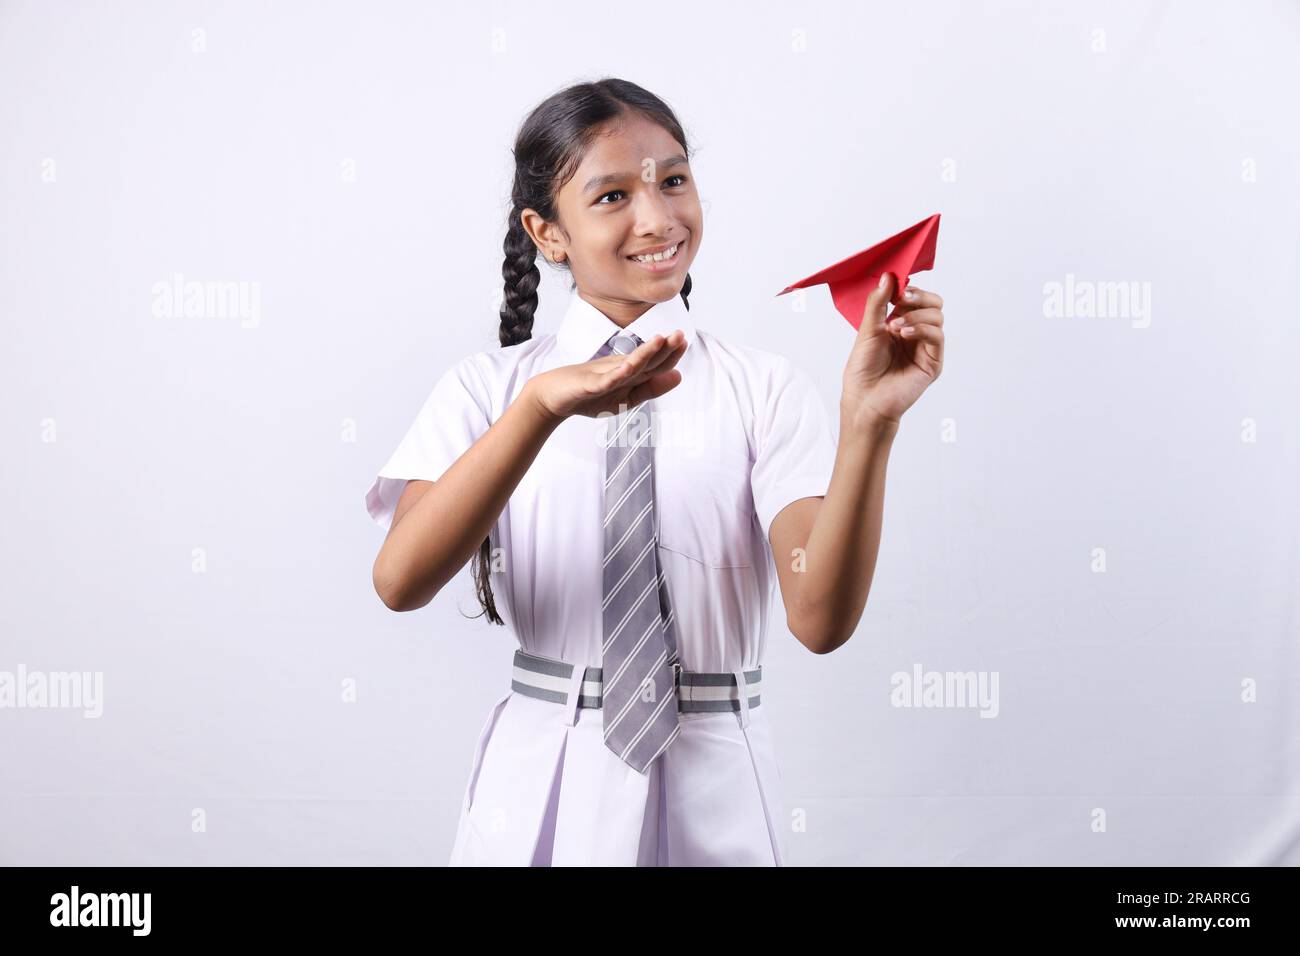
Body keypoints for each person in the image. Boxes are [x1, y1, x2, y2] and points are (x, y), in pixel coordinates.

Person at [364, 77, 946, 865]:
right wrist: (538, 412)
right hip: (543, 782)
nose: (658, 218)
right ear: (547, 232)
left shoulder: (761, 388)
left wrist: (869, 427)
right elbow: (400, 581)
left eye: (673, 179)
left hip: (716, 782)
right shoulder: (490, 390)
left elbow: (819, 619)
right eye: (610, 196)